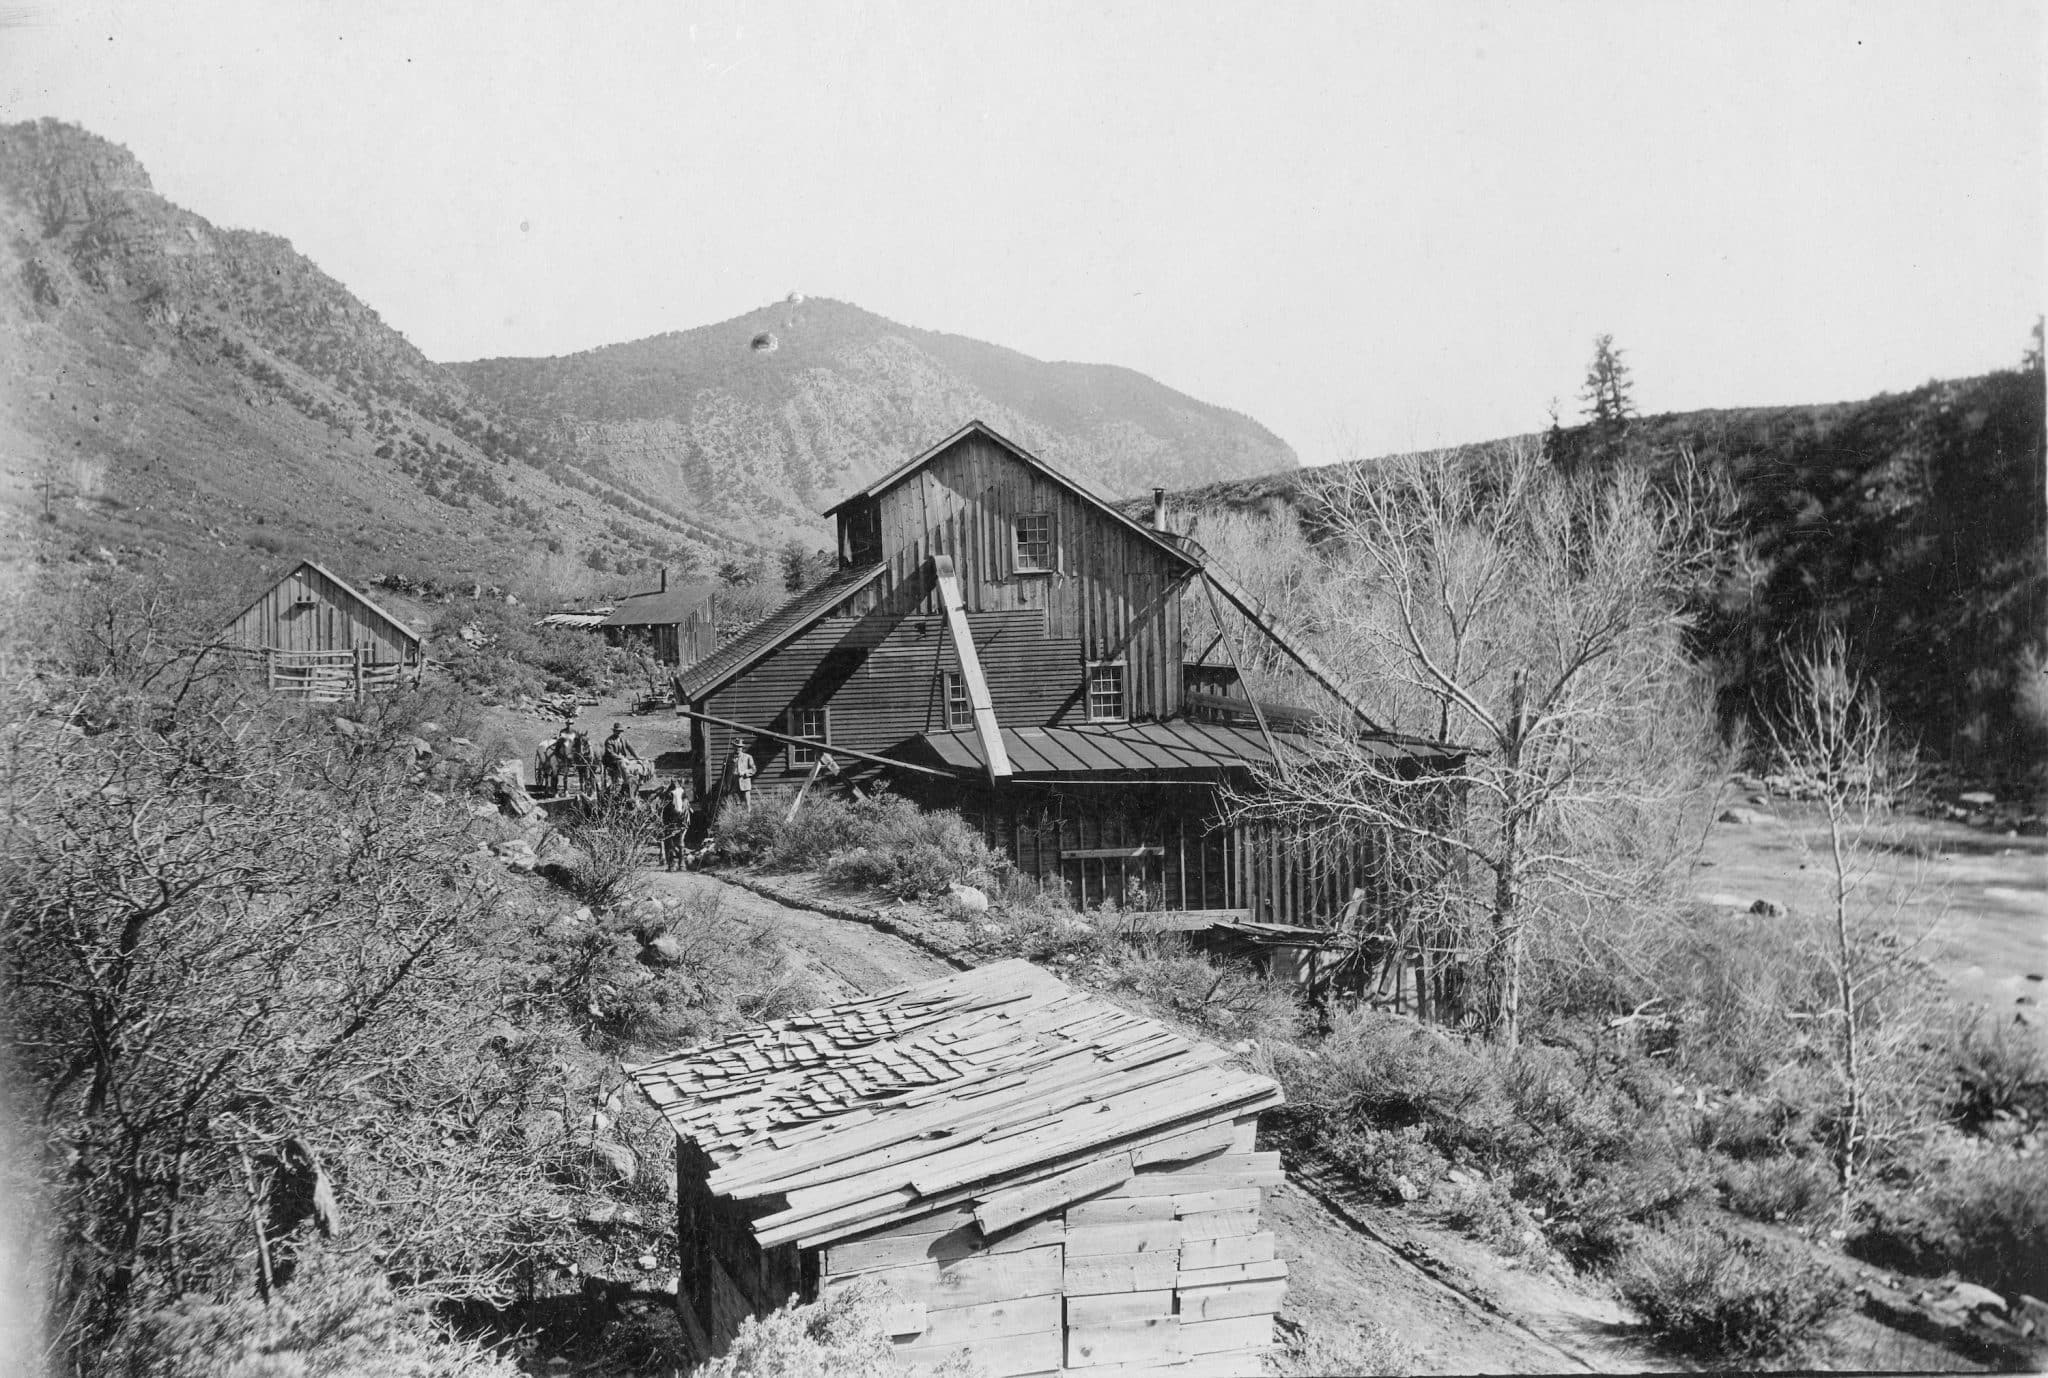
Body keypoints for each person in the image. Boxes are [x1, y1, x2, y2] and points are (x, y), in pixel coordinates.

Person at [659, 781, 693, 871]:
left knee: (678, 841)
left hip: (679, 818)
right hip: (674, 817)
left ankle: (678, 863)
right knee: (673, 841)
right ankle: (677, 863)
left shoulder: (680, 794)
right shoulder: (670, 798)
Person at [601, 723, 639, 795]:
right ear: (614, 731)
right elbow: (611, 753)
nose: (619, 733)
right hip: (611, 761)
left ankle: (634, 779)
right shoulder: (609, 741)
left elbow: (630, 748)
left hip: (621, 759)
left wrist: (637, 757)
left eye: (620, 731)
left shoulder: (623, 740)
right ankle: (626, 781)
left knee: (634, 763)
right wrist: (622, 758)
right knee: (621, 762)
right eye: (617, 731)